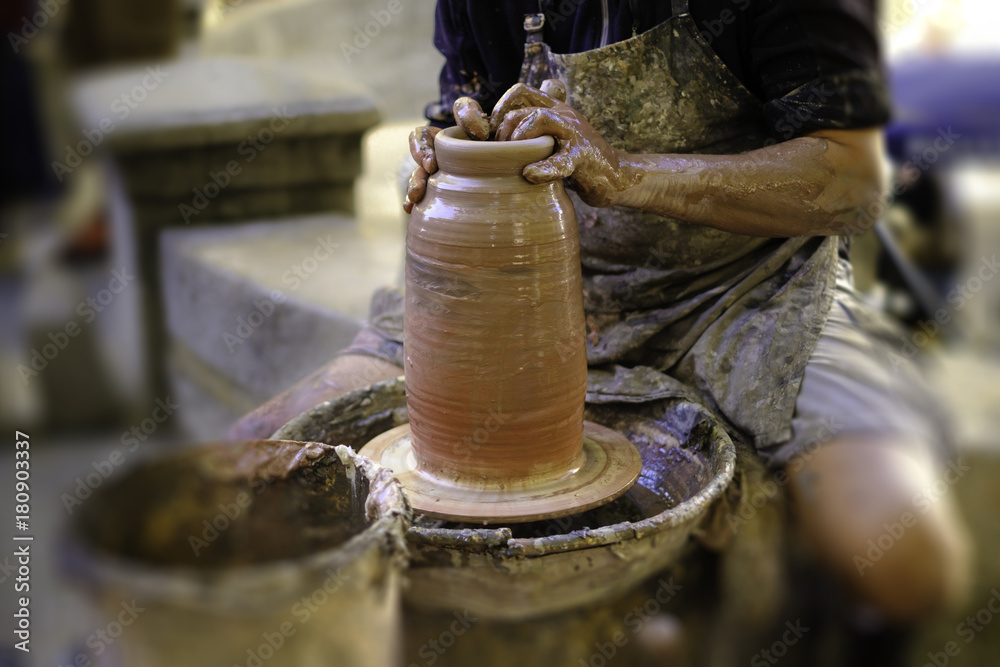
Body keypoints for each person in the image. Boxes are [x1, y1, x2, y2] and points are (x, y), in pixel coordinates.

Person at [230, 0, 970, 645]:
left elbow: (854, 179)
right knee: (241, 469)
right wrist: (439, 151)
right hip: (521, 285)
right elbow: (458, 110)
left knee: (905, 561)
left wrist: (628, 173)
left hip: (742, 293)